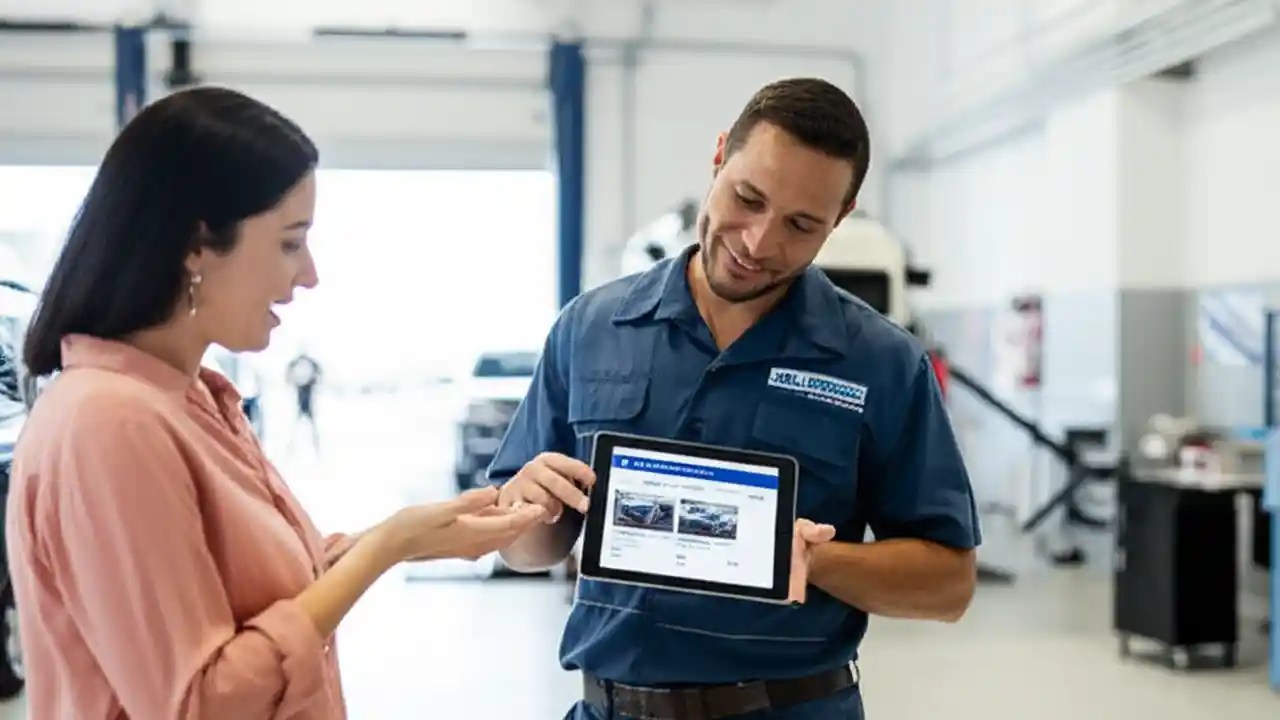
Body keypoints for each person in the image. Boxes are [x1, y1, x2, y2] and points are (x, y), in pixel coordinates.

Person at [6, 86, 545, 719]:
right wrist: (382, 551)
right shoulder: (110, 423)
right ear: (195, 245)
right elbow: (200, 704)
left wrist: (430, 532)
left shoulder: (191, 400)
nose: (308, 273)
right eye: (291, 242)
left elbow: (265, 590)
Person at [489, 77, 981, 719]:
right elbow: (522, 549)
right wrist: (527, 511)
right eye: (748, 198)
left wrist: (807, 559)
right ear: (720, 155)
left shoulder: (880, 363)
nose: (758, 243)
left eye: (801, 225)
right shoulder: (591, 329)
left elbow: (948, 585)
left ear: (841, 217)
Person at [286, 348, 323, 452]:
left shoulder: (308, 370)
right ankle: (291, 449)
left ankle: (316, 449)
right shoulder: (302, 369)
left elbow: (318, 371)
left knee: (309, 427)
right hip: (302, 401)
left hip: (306, 401)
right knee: (299, 427)